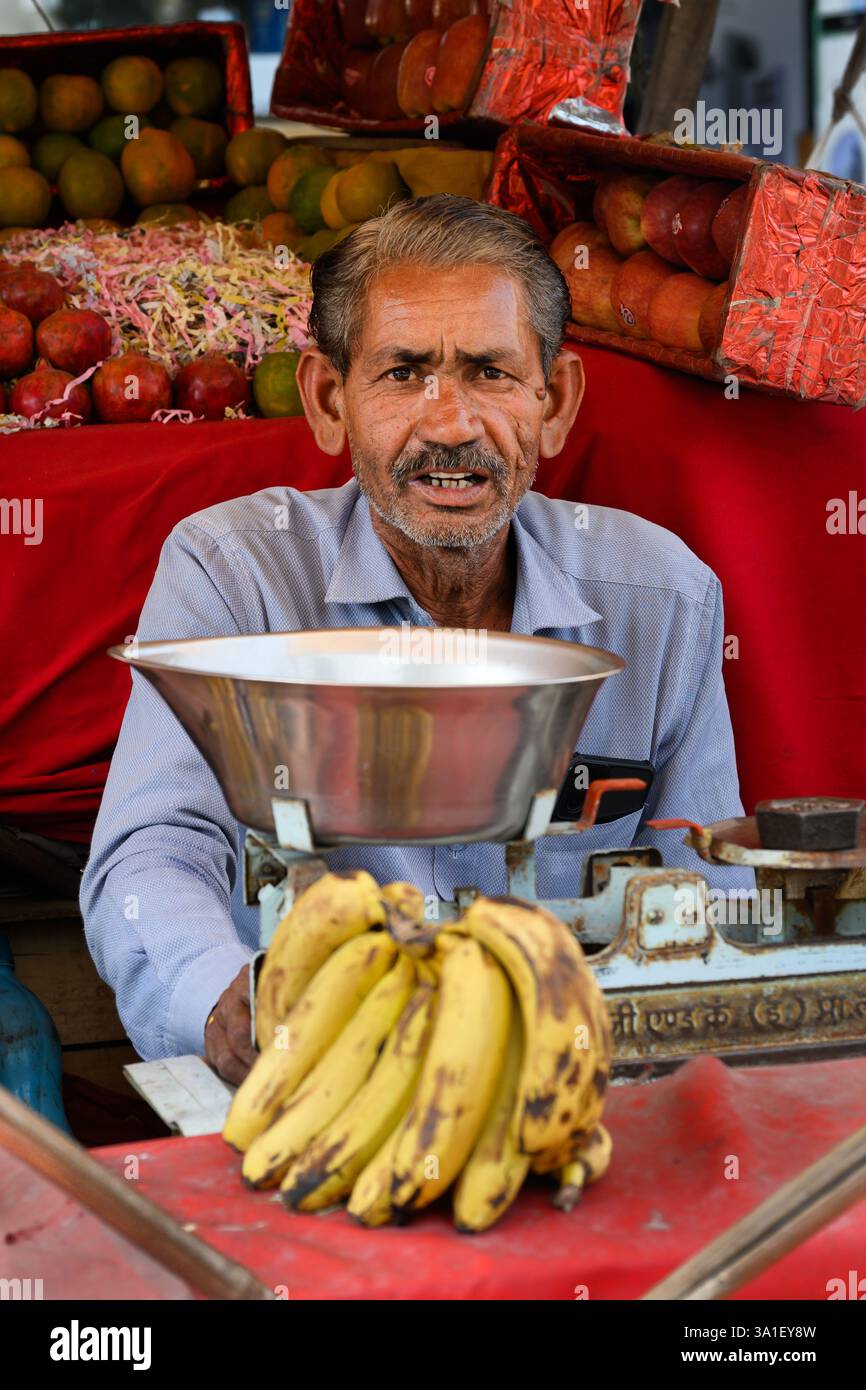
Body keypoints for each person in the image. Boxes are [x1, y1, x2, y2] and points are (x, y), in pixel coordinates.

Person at [81, 193, 751, 1083]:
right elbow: (152, 849)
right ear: (329, 401)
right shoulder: (232, 573)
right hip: (315, 1081)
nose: (450, 424)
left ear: (554, 404)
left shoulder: (661, 597)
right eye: (403, 373)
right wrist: (223, 994)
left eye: (490, 373)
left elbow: (709, 883)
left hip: (585, 1096)